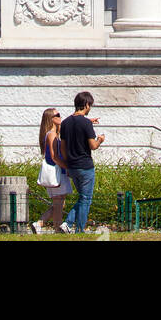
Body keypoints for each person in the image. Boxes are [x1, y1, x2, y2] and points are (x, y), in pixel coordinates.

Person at [59, 90, 105, 234]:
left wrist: (67, 163)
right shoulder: (86, 123)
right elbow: (93, 146)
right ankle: (77, 228)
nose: (90, 108)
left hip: (72, 167)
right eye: (89, 105)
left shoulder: (65, 123)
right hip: (85, 166)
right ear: (86, 104)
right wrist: (100, 140)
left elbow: (62, 147)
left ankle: (69, 225)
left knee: (82, 198)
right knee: (86, 199)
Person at [33, 106, 71, 234]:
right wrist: (67, 167)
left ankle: (47, 225)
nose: (60, 117)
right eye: (57, 115)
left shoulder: (51, 134)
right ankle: (47, 225)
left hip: (56, 172)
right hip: (57, 172)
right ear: (51, 119)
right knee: (59, 203)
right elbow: (55, 157)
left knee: (59, 203)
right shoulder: (52, 134)